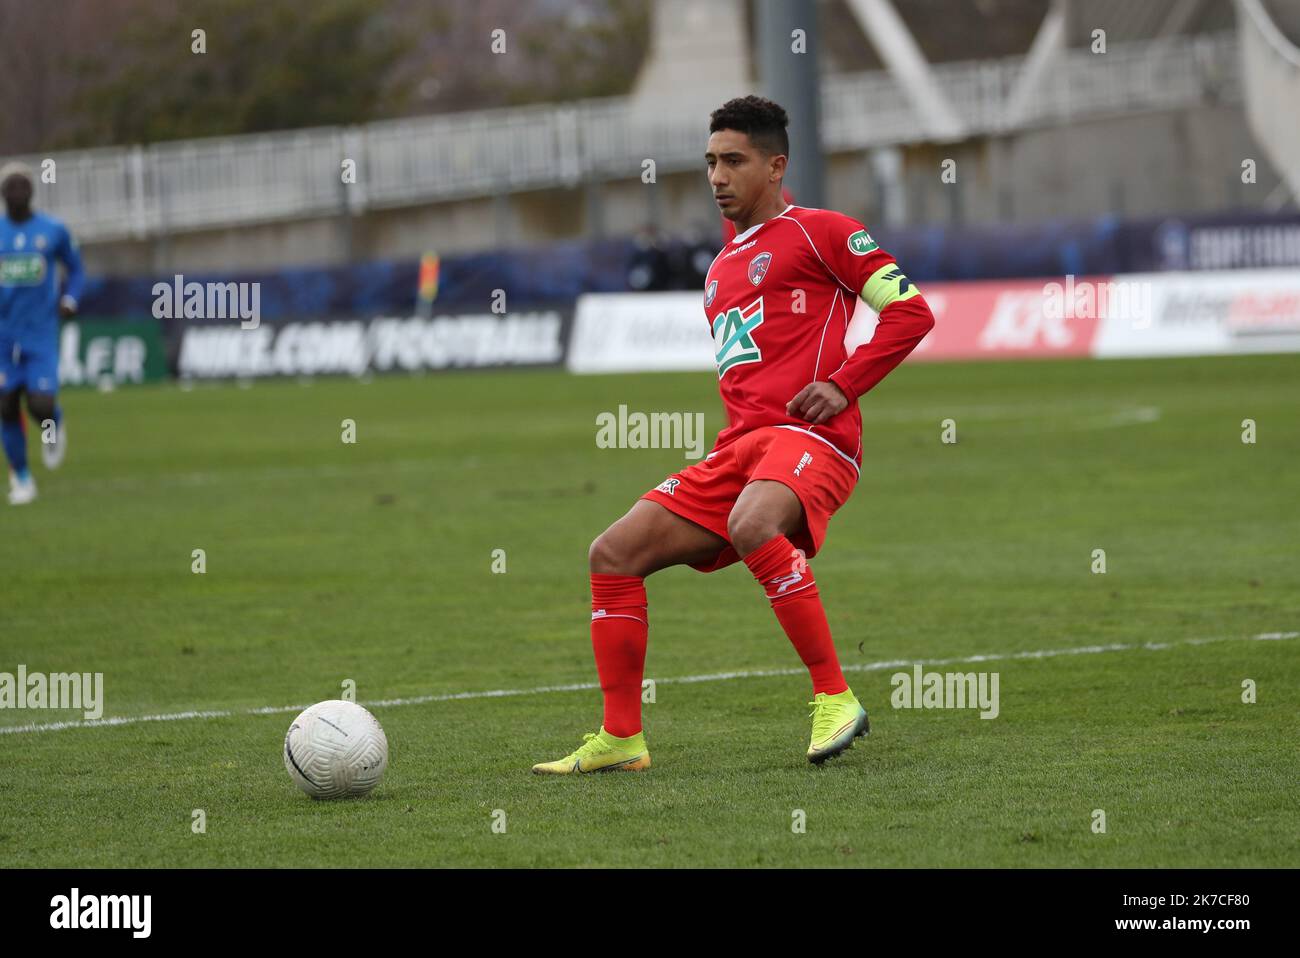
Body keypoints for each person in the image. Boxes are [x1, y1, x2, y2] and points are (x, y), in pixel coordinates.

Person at [533, 96, 935, 773]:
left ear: (776, 166)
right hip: (740, 448)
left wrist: (843, 382)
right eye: (711, 162)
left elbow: (910, 312)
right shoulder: (720, 268)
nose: (718, 176)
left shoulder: (822, 232)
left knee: (754, 523)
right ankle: (621, 737)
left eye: (734, 161)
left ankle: (836, 697)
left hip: (813, 437)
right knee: (613, 553)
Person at [1, 162, 83, 505]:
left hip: (40, 334)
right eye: (11, 186)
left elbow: (76, 269)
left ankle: (54, 426)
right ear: (3, 193)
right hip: (4, 338)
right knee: (5, 405)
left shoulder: (52, 230)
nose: (18, 191)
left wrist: (70, 298)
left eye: (24, 185)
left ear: (32, 191)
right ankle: (21, 478)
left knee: (41, 403)